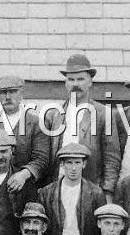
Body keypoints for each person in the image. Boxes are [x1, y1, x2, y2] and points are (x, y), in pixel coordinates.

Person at [45, 53, 123, 199]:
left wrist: (107, 194)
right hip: (58, 190)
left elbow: (112, 159)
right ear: (66, 83)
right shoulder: (53, 115)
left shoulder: (103, 114)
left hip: (91, 192)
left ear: (90, 81)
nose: (75, 84)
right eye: (71, 79)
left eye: (80, 79)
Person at [0, 74, 51, 192]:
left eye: (13, 92)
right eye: (3, 92)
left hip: (26, 187)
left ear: (21, 94)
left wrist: (24, 174)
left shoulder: (36, 123)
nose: (8, 97)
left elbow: (41, 159)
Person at [39, 142, 106, 235]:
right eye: (69, 163)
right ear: (62, 164)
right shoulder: (47, 193)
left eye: (77, 163)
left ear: (84, 164)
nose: (73, 168)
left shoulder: (96, 193)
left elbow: (102, 229)